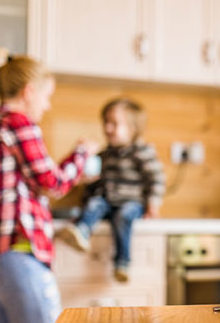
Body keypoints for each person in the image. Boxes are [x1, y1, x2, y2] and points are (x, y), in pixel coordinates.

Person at [0, 47, 99, 323]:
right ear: (29, 92)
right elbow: (52, 182)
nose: (47, 105)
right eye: (47, 96)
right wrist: (82, 155)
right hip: (17, 252)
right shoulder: (18, 122)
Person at [56, 97, 165, 282]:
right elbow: (94, 186)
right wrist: (84, 200)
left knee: (124, 216)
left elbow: (156, 179)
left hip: (131, 202)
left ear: (132, 128)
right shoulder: (104, 156)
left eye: (114, 124)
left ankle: (123, 262)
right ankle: (81, 230)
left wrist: (152, 206)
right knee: (96, 203)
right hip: (107, 202)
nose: (107, 128)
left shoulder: (143, 152)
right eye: (106, 123)